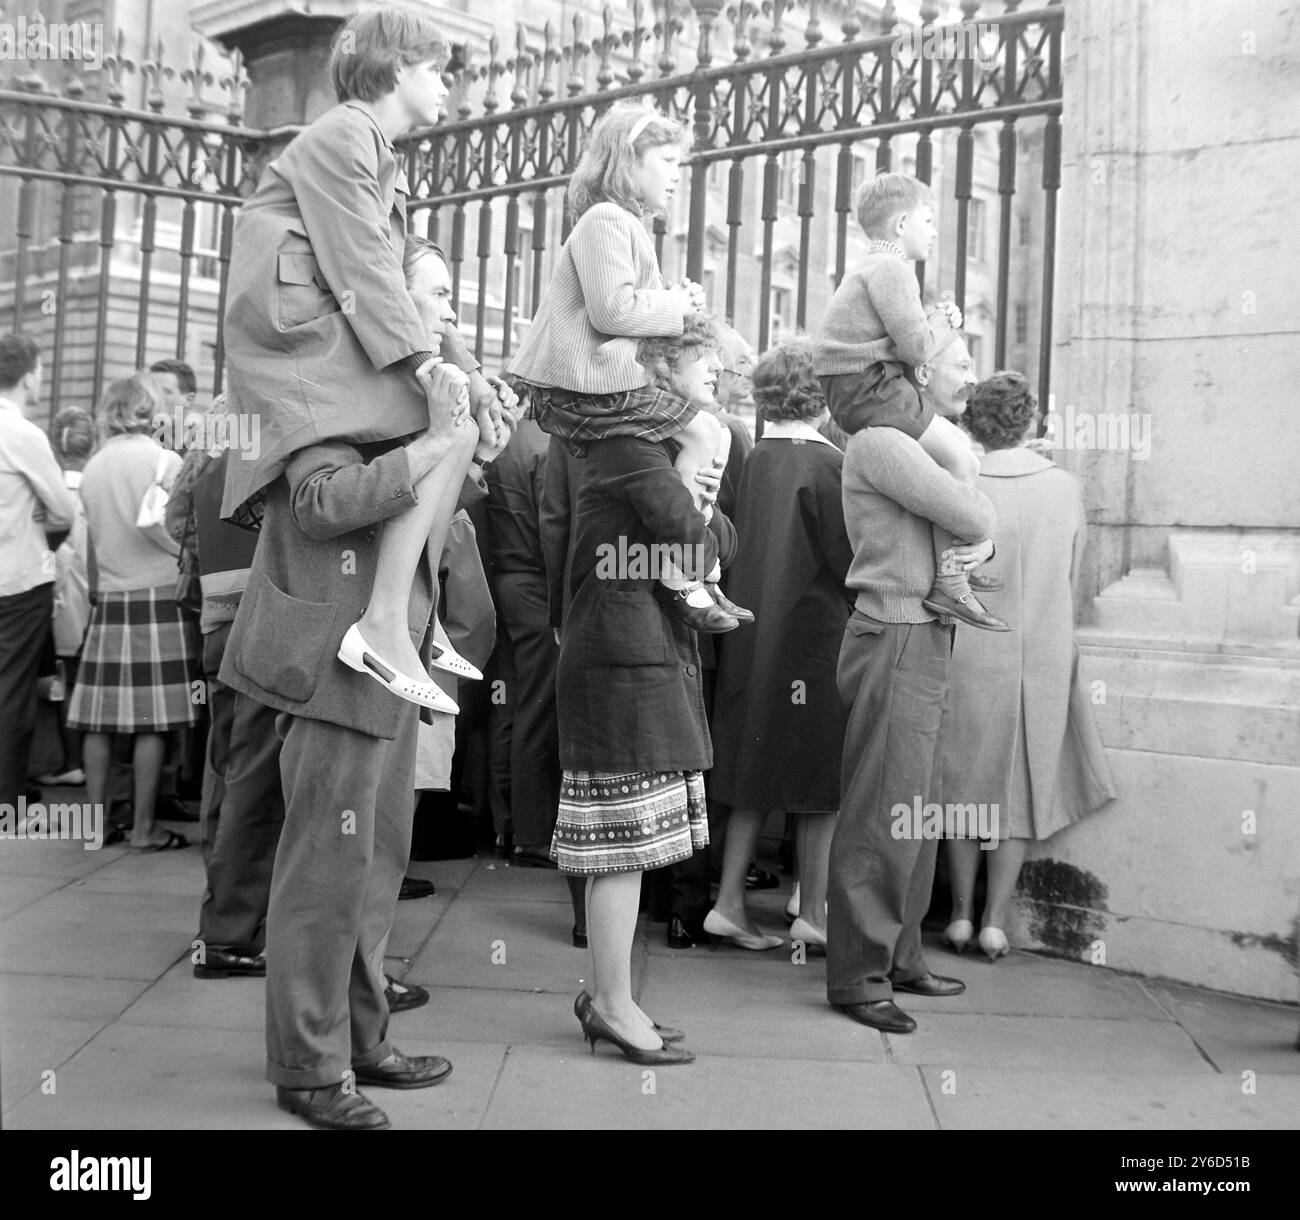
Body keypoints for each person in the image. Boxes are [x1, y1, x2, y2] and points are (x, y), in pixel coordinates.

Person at [219, 7, 502, 712]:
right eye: (438, 69)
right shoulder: (346, 133)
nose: (449, 87)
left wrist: (464, 368)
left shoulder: (372, 147)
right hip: (301, 341)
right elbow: (368, 269)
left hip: (323, 330)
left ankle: (412, 618)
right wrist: (428, 369)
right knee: (449, 425)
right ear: (398, 67)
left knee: (458, 424)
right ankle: (383, 623)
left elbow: (399, 263)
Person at [550, 319, 739, 1065]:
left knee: (625, 848)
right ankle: (611, 1004)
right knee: (619, 851)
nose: (719, 377)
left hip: (633, 662)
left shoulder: (642, 451)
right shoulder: (632, 449)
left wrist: (699, 476)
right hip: (620, 669)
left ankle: (612, 996)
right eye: (707, 366)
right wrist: (698, 451)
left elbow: (713, 536)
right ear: (664, 370)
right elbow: (701, 545)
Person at [508, 101, 747, 634]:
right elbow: (612, 310)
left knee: (710, 433)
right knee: (707, 431)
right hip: (591, 381)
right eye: (667, 160)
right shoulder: (606, 219)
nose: (677, 176)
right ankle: (685, 572)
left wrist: (671, 298)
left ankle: (685, 568)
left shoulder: (624, 224)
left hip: (605, 377)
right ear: (627, 161)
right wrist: (676, 308)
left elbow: (630, 304)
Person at [826, 315, 996, 1035]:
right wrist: (971, 490)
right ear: (921, 372)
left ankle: (900, 953)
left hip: (920, 631)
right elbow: (970, 514)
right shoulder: (886, 443)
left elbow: (975, 537)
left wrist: (977, 538)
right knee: (882, 811)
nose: (969, 374)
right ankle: (857, 977)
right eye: (960, 360)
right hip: (896, 632)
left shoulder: (911, 445)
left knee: (916, 808)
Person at [938, 371, 1116, 959]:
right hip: (1036, 649)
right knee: (1014, 788)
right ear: (1030, 420)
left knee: (963, 782)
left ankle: (960, 914)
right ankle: (994, 920)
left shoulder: (956, 481)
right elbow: (1074, 574)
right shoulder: (1063, 487)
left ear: (973, 422)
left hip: (966, 646)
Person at [708, 338, 854, 952]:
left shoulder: (750, 455)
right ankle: (812, 911)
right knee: (821, 782)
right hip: (812, 641)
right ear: (824, 400)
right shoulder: (832, 467)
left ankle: (729, 902)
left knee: (750, 769)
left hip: (748, 633)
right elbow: (849, 563)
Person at [813, 171, 1007, 632]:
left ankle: (951, 573)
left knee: (945, 457)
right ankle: (952, 580)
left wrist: (933, 322)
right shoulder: (893, 269)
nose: (935, 230)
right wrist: (944, 324)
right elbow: (918, 349)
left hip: (859, 388)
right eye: (928, 219)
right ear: (901, 224)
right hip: (871, 388)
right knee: (963, 459)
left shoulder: (865, 268)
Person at [65, 374, 201, 850]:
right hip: (160, 593)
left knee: (99, 720)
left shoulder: (95, 466)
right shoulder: (165, 459)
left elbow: (87, 539)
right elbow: (182, 525)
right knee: (154, 721)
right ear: (149, 410)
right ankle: (144, 828)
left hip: (111, 597)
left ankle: (96, 825)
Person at [0, 335, 78, 811]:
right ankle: (7, 800)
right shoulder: (22, 434)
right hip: (16, 580)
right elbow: (63, 510)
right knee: (12, 690)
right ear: (30, 374)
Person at [35, 407, 97, 787]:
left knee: (64, 683)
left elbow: (51, 558)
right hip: (95, 598)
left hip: (63, 601)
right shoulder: (96, 486)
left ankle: (72, 761)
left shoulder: (53, 494)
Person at [149, 358, 201, 452]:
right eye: (152, 391)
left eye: (165, 392)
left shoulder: (205, 445)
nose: (154, 397)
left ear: (189, 399)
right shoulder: (139, 440)